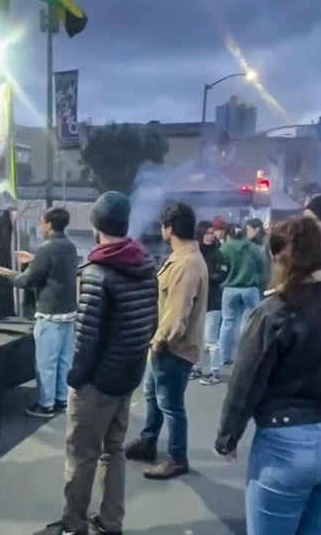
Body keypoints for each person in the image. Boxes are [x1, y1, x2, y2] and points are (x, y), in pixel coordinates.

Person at [215, 216, 321, 535]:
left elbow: (247, 380)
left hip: (287, 444)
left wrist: (228, 436)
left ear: (278, 258)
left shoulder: (276, 311)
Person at [36, 192, 158, 535]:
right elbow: (150, 323)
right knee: (114, 450)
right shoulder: (146, 265)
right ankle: (110, 521)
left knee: (82, 455)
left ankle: (74, 525)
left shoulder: (97, 272)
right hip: (128, 375)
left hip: (98, 384)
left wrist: (75, 378)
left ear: (95, 227)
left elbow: (86, 337)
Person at [125, 203, 207, 480]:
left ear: (170, 228)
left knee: (170, 404)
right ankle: (148, 441)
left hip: (173, 347)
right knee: (153, 394)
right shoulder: (184, 258)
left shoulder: (186, 264)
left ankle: (177, 457)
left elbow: (176, 313)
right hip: (166, 345)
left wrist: (160, 341)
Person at [0, 206, 79, 418]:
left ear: (49, 224)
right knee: (63, 360)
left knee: (46, 362)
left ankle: (45, 405)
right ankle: (61, 400)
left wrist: (10, 274)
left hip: (50, 315)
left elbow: (28, 280)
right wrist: (34, 259)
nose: (40, 225)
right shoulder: (69, 246)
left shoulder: (46, 248)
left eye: (43, 222)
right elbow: (56, 268)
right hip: (69, 314)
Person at [207, 224, 267, 383]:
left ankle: (225, 356)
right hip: (250, 289)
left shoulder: (225, 248)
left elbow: (219, 268)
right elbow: (263, 267)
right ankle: (243, 357)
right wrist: (260, 283)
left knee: (227, 323)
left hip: (230, 289)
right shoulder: (254, 248)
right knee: (248, 324)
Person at [191, 220, 226, 380]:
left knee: (211, 338)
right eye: (208, 233)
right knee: (196, 336)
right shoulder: (194, 252)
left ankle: (215, 371)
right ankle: (196, 367)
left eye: (212, 233)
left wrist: (206, 277)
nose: (211, 236)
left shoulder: (218, 252)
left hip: (212, 299)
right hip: (196, 299)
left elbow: (222, 274)